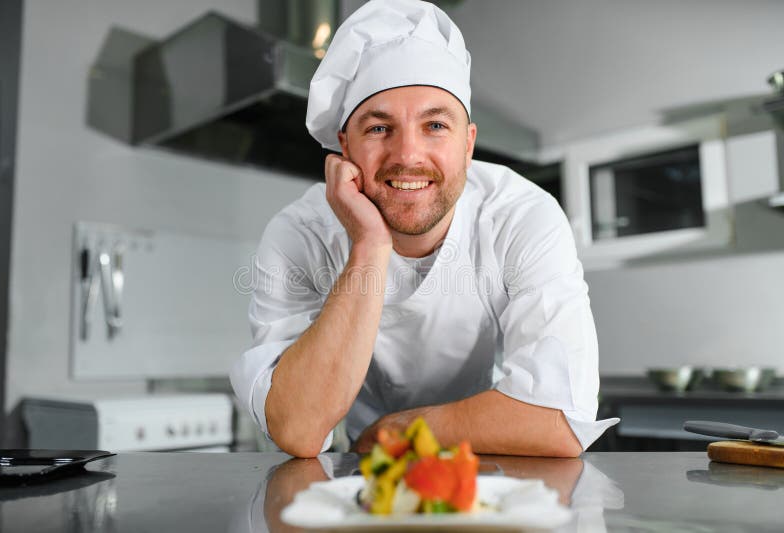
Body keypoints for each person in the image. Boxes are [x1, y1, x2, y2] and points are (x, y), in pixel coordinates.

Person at [230, 0, 618, 458]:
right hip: (353, 476)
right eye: (378, 128)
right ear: (344, 146)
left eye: (435, 125)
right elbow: (298, 428)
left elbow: (560, 420)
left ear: (468, 144)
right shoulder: (301, 236)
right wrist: (370, 245)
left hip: (488, 460)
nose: (408, 155)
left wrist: (400, 429)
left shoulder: (521, 216)